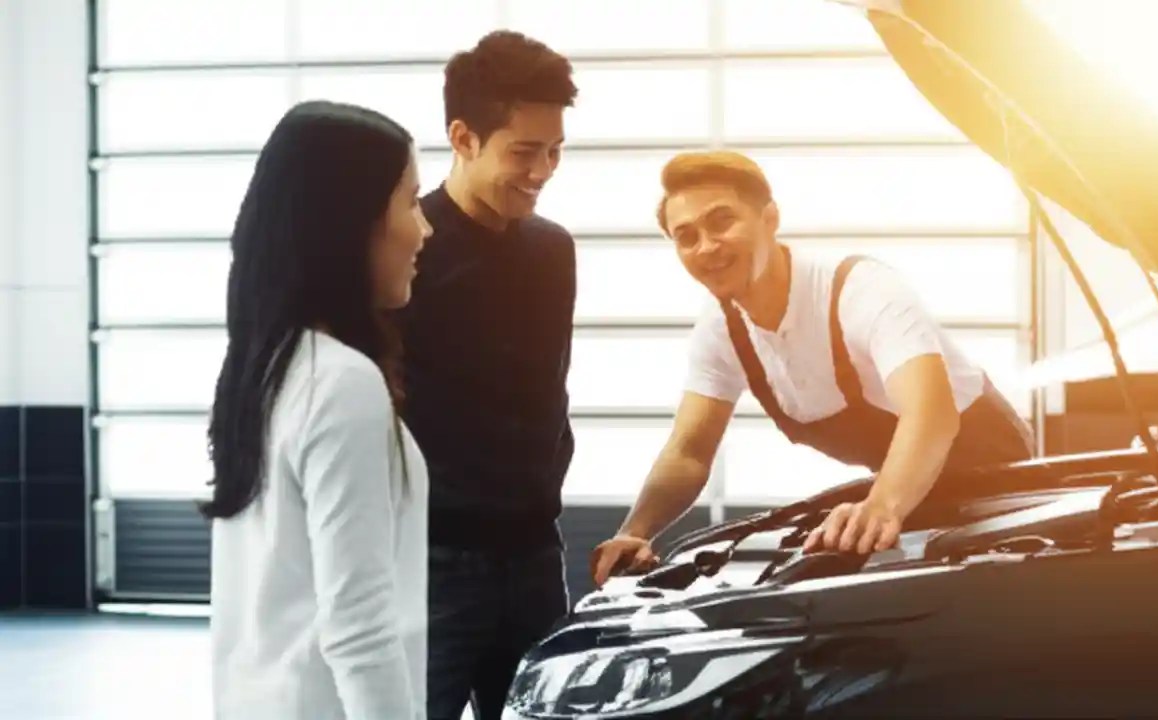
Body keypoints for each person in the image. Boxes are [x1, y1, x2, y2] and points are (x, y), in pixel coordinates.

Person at [591, 151, 1034, 586]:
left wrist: (881, 505)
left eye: (722, 221)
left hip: (998, 479)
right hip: (908, 491)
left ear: (770, 219)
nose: (706, 247)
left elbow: (932, 415)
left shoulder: (861, 291)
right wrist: (635, 531)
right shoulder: (721, 330)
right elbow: (689, 451)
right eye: (686, 236)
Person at [204, 100, 432, 720]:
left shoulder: (266, 368)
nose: (425, 228)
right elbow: (358, 626)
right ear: (352, 220)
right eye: (411, 201)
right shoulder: (341, 382)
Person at [395, 31, 578, 720]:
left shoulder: (553, 250)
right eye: (525, 152)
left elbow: (548, 394)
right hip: (434, 565)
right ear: (464, 137)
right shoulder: (408, 247)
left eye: (555, 150)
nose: (543, 169)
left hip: (534, 556)